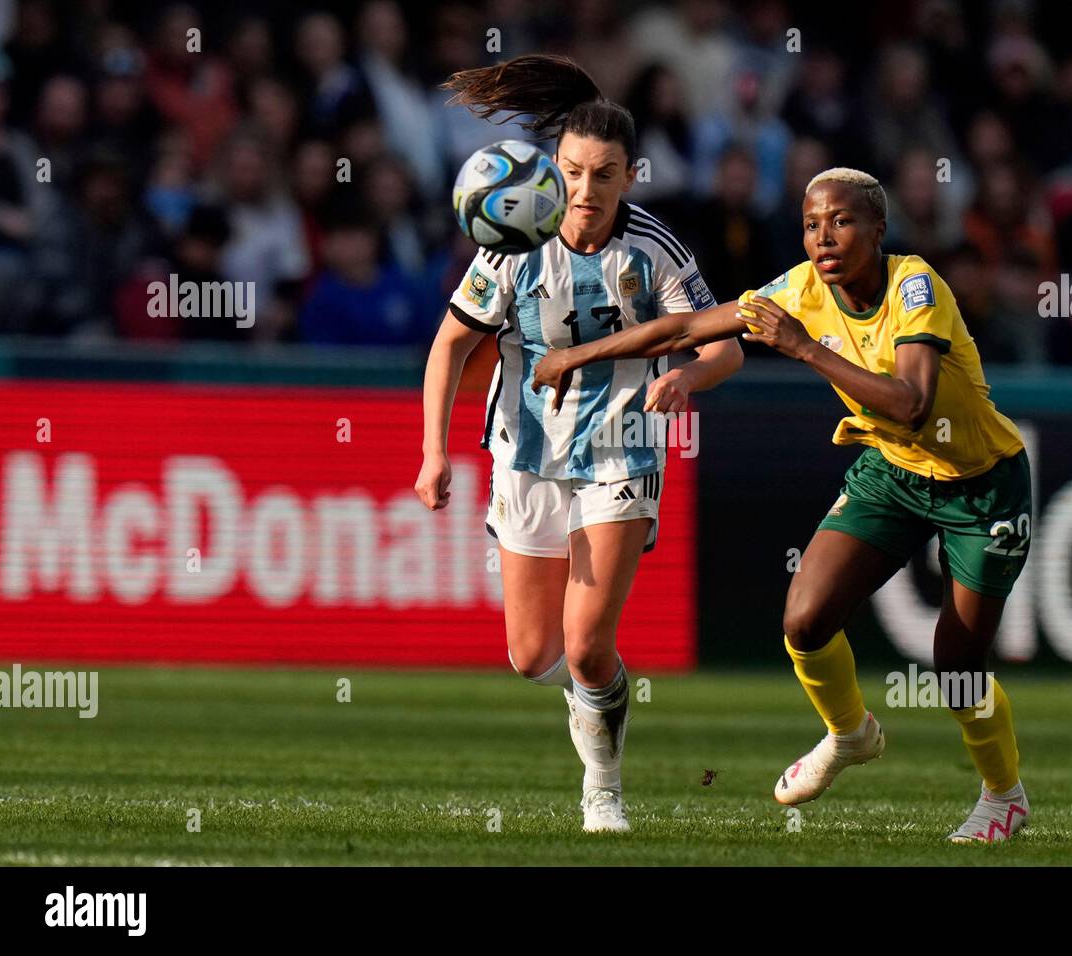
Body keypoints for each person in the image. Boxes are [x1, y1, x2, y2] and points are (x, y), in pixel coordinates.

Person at [533, 167, 1033, 843]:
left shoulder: (915, 286)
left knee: (956, 666)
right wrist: (580, 355)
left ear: (879, 231)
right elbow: (683, 326)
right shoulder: (799, 286)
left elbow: (911, 405)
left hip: (981, 485)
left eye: (842, 222)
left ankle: (1004, 796)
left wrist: (800, 346)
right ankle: (850, 733)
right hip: (894, 472)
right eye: (810, 224)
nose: (823, 238)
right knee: (804, 618)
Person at [415, 54, 742, 833]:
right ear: (554, 172)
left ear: (630, 176)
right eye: (573, 171)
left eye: (604, 174)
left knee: (589, 643)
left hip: (621, 451)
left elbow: (723, 342)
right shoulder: (514, 238)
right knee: (534, 656)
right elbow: (450, 346)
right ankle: (595, 702)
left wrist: (686, 381)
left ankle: (603, 791)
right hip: (524, 453)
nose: (586, 190)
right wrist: (433, 452)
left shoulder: (654, 248)